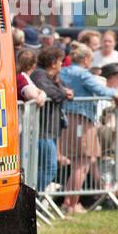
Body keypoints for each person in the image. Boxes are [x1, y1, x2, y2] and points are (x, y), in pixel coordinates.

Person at [58, 42, 118, 214]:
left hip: (67, 120)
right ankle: (72, 204)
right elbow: (99, 89)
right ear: (86, 59)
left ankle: (69, 202)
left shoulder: (63, 71)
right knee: (83, 163)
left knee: (77, 164)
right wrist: (116, 94)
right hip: (81, 121)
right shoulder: (82, 74)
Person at [30, 45, 72, 194]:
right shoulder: (39, 75)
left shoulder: (51, 77)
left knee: (48, 168)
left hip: (50, 130)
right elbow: (52, 93)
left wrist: (63, 90)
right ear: (54, 62)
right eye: (61, 61)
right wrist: (63, 93)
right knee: (49, 168)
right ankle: (32, 200)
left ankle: (35, 200)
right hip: (42, 131)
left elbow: (64, 91)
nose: (62, 64)